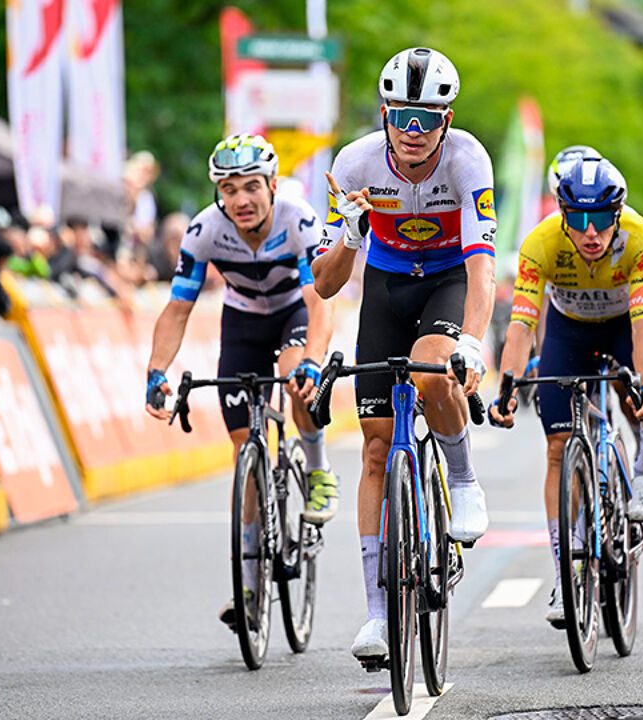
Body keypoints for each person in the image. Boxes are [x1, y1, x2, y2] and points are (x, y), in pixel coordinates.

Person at [313, 46, 496, 662]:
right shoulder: (356, 163)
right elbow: (328, 282)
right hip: (388, 284)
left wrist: (471, 342)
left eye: (428, 119)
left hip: (449, 276)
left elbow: (482, 267)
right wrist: (351, 233)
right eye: (401, 116)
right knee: (373, 443)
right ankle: (377, 614)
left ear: (447, 120)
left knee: (433, 372)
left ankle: (464, 478)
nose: (413, 132)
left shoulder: (468, 159)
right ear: (384, 113)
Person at [144, 134, 338, 629]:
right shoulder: (204, 231)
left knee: (297, 380)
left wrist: (313, 362)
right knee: (241, 449)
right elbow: (178, 309)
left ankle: (317, 471)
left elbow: (320, 300)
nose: (241, 200)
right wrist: (157, 372)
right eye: (229, 189)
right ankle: (249, 590)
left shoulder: (299, 220)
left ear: (273, 185)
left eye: (251, 186)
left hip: (294, 311)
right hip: (244, 322)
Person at [486, 157, 643, 625]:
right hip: (570, 333)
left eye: (601, 221)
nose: (591, 233)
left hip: (624, 325)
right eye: (578, 220)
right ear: (563, 216)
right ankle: (564, 574)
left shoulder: (641, 237)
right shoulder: (542, 243)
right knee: (557, 449)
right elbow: (522, 325)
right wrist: (507, 386)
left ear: (618, 216)